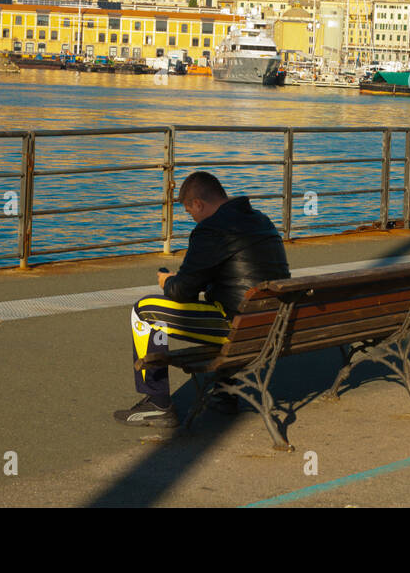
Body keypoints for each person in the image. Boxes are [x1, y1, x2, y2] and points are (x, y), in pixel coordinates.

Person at [115, 171, 290, 427]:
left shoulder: (210, 228)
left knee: (145, 311)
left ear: (198, 204)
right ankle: (224, 393)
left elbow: (180, 293)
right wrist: (187, 279)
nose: (193, 220)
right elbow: (237, 276)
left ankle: (157, 402)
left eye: (190, 213)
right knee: (225, 305)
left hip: (240, 327)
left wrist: (168, 281)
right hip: (275, 322)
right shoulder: (261, 220)